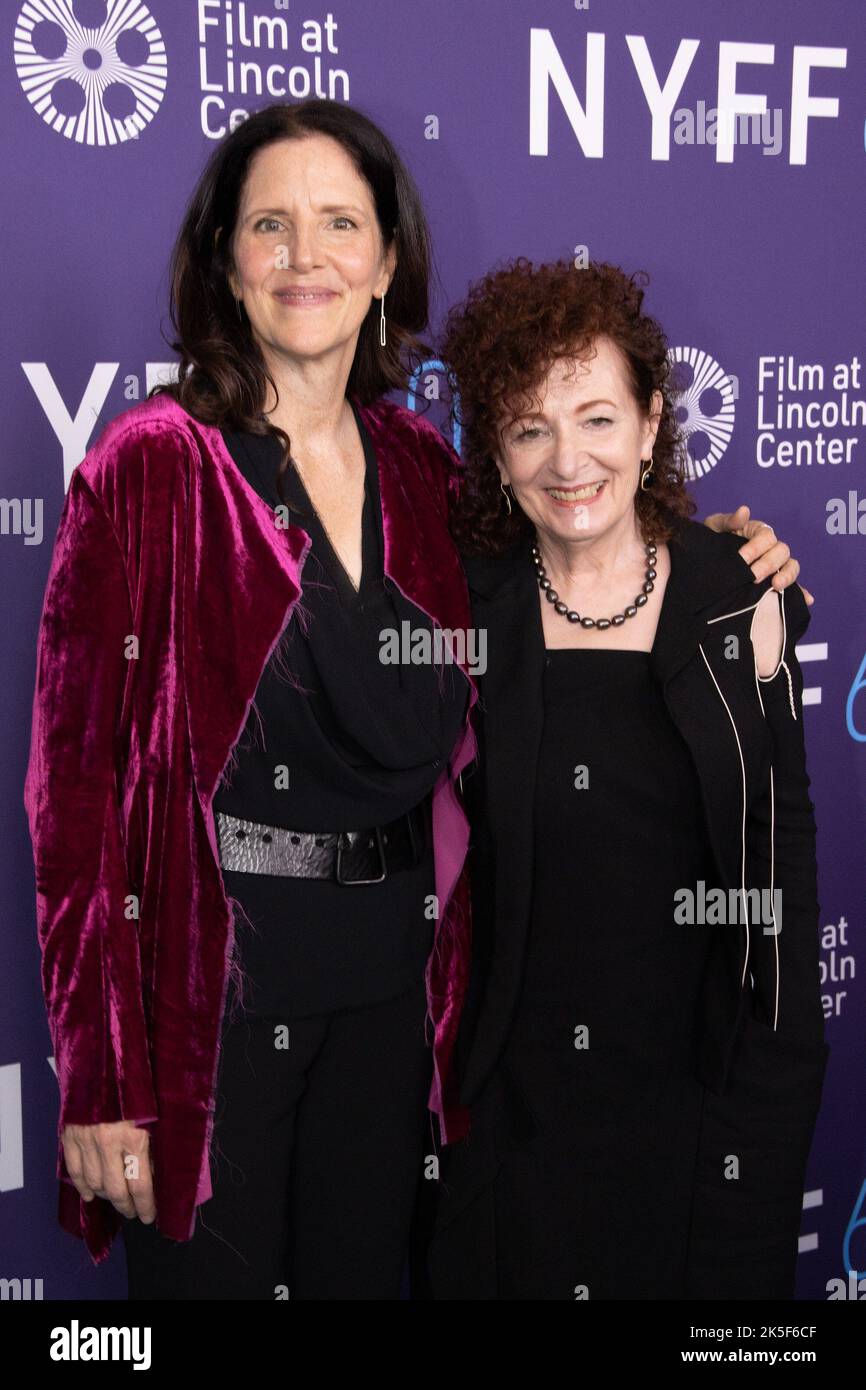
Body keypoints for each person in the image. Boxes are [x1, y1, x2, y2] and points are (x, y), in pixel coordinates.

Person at [23, 100, 801, 1300]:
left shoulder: (424, 472)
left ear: (386, 260)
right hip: (210, 1011)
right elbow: (72, 794)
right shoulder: (151, 465)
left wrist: (728, 560)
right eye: (268, 225)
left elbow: (578, 535)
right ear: (224, 260)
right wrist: (102, 1075)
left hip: (392, 1001)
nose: (304, 257)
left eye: (340, 223)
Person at [427, 258, 829, 1301]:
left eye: (597, 417)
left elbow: (778, 893)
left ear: (650, 424)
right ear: (495, 455)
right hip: (505, 1125)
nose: (569, 460)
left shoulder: (738, 597)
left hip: (700, 1116)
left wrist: (764, 1131)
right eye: (528, 428)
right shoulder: (460, 614)